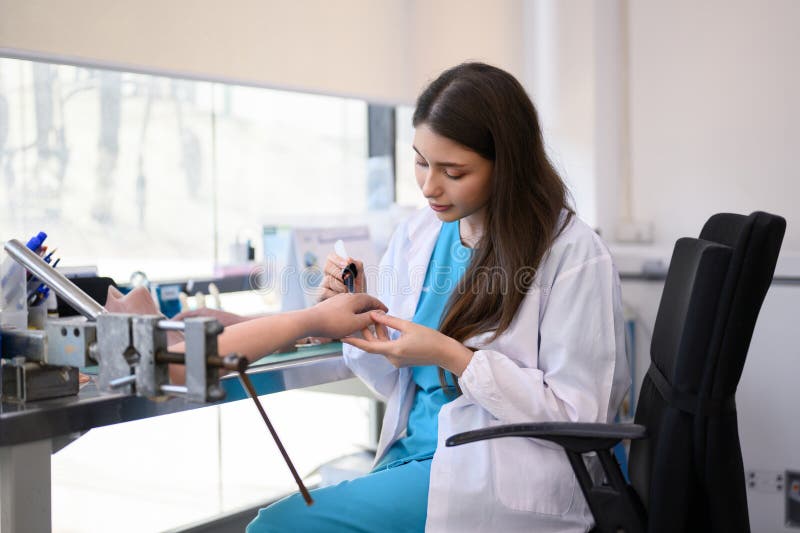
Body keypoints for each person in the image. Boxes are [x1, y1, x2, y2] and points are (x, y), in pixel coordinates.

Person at [248, 62, 630, 532]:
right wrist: (357, 316)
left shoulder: (572, 253)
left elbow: (580, 416)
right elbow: (393, 379)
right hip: (418, 453)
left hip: (498, 473)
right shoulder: (421, 234)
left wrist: (454, 357)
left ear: (506, 165)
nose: (429, 186)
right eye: (421, 162)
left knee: (275, 527)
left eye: (453, 171)